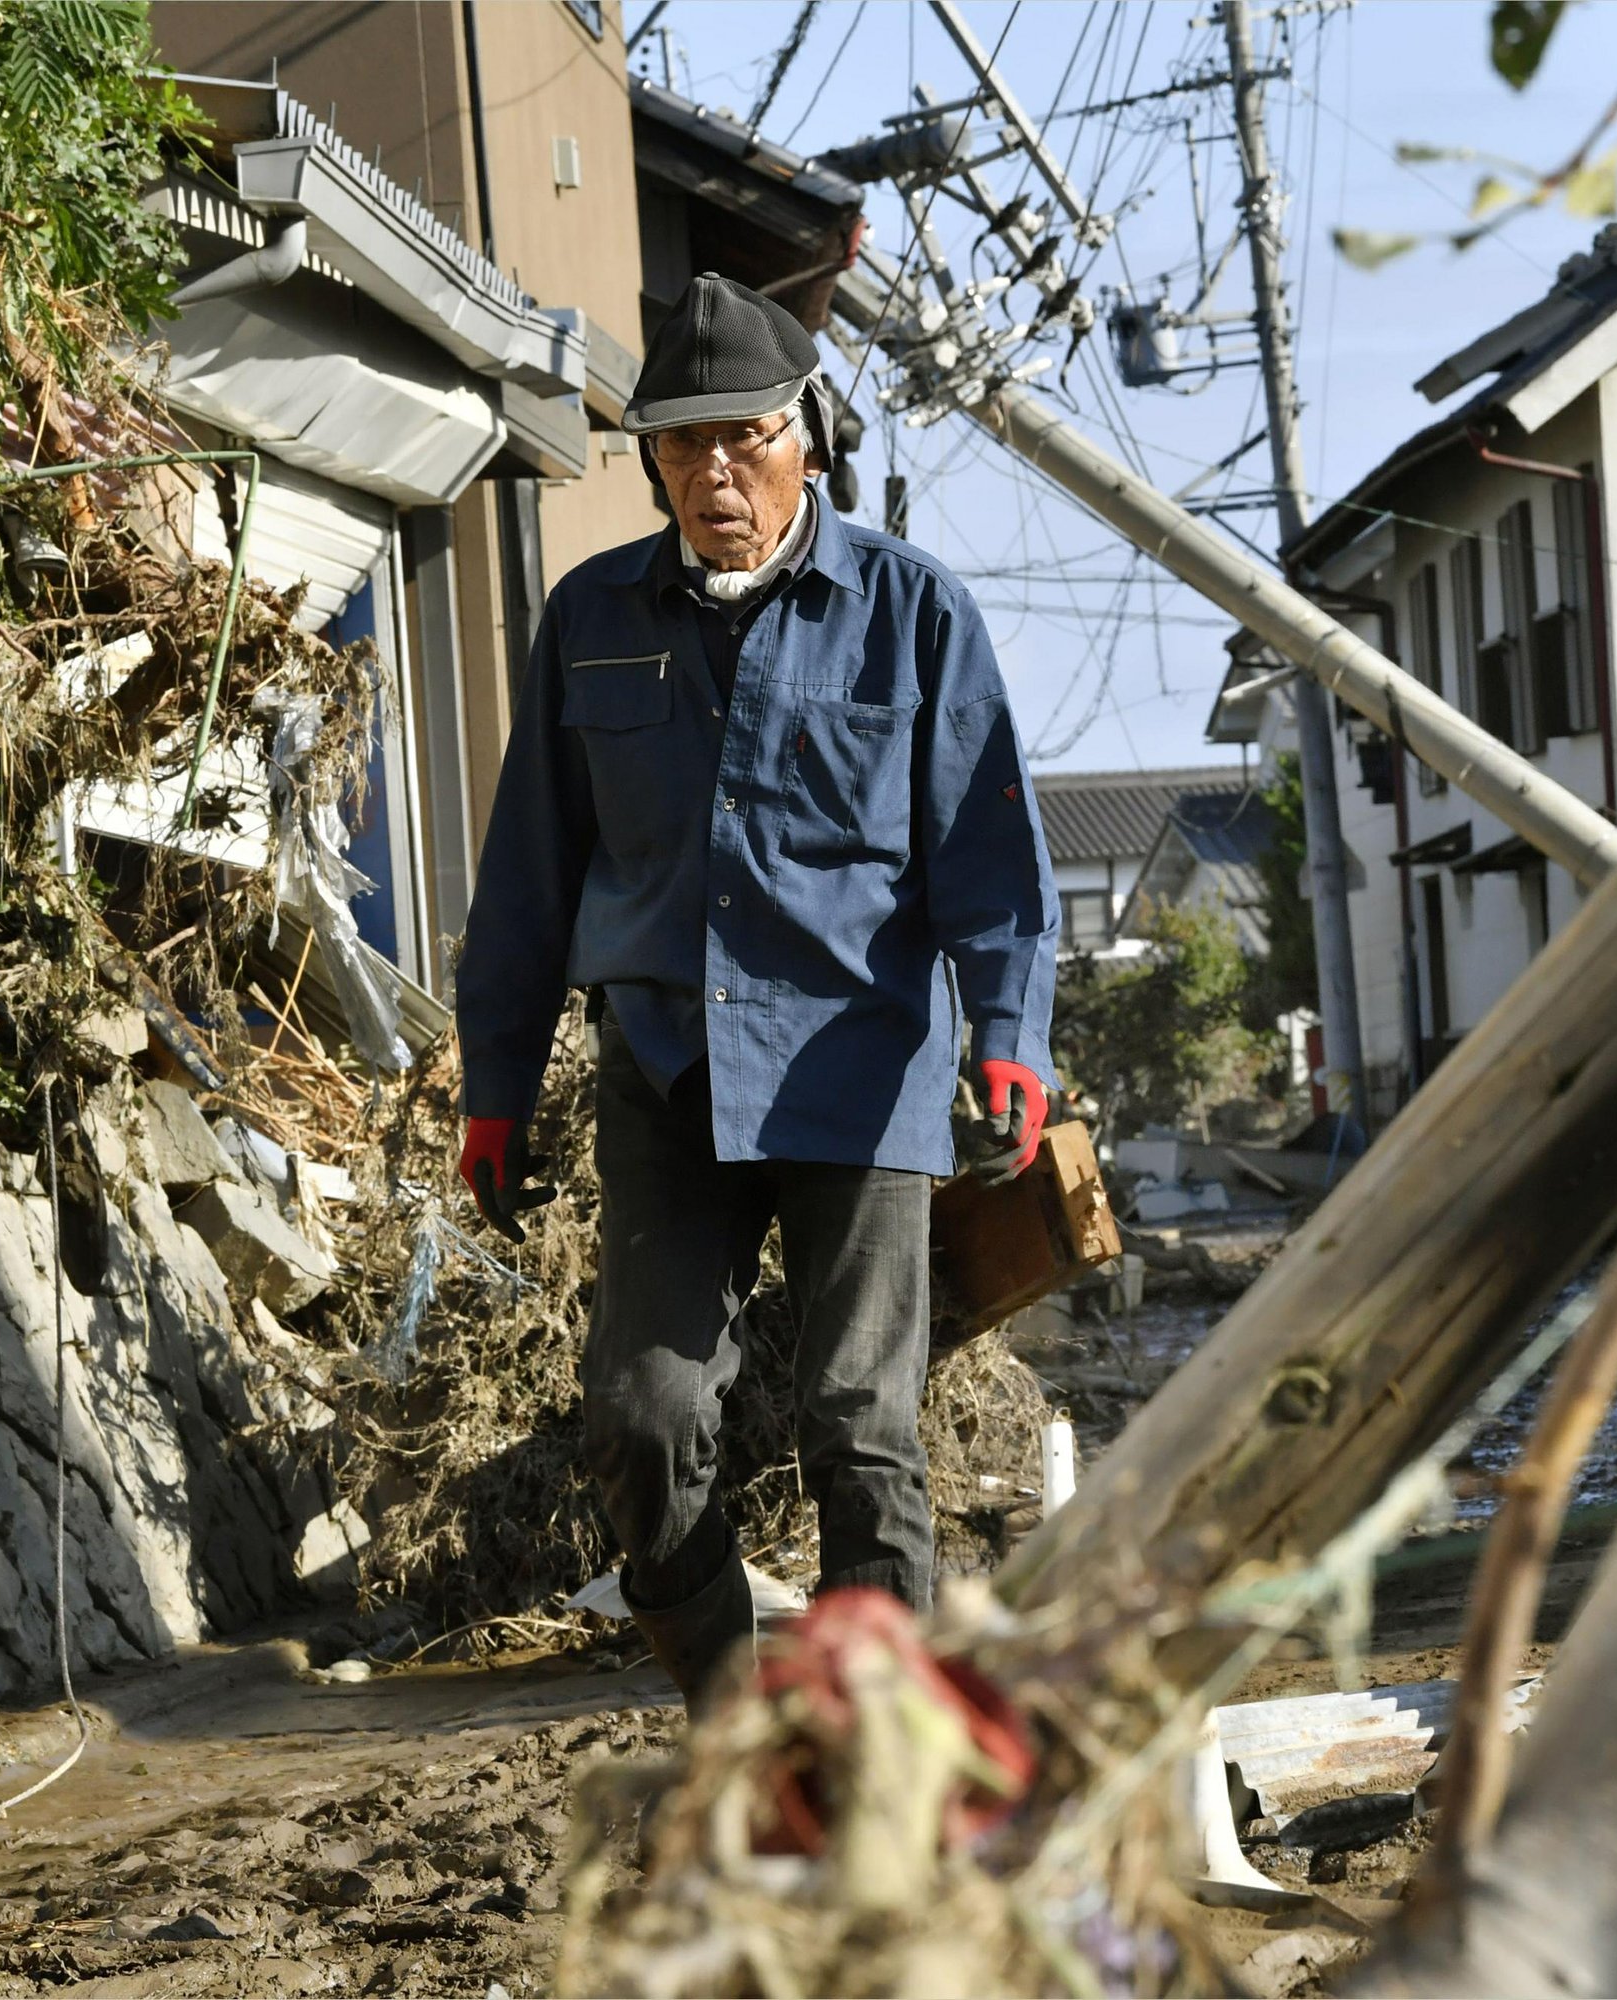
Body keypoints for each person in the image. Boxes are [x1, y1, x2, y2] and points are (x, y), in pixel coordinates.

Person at [452, 273, 1059, 1709]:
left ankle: (873, 1749)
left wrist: (1010, 1038)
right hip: (671, 1070)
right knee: (640, 1420)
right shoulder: (592, 619)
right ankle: (737, 1715)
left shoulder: (912, 613)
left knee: (860, 1428)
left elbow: (990, 854)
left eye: (745, 437)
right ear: (650, 458)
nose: (714, 471)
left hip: (863, 1063)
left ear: (809, 439)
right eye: (682, 442)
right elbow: (530, 874)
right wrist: (495, 1088)